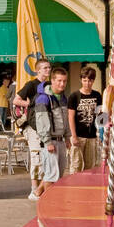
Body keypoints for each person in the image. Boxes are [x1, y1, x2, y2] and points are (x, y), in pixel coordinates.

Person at [32, 67, 71, 200]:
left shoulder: (63, 97)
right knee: (51, 175)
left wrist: (67, 137)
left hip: (60, 140)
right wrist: (47, 141)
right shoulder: (43, 99)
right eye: (59, 81)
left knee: (58, 173)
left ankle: (42, 194)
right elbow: (42, 123)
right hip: (50, 141)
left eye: (64, 81)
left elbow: (65, 119)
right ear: (52, 81)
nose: (62, 84)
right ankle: (49, 202)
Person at [15, 59, 51, 200]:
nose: (48, 70)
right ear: (38, 70)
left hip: (46, 125)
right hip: (33, 125)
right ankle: (34, 189)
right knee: (36, 157)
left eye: (49, 67)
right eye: (45, 68)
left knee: (45, 157)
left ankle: (42, 188)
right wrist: (28, 104)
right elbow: (16, 100)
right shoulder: (31, 85)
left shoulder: (49, 85)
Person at [67, 67, 101, 174]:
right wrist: (74, 136)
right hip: (78, 136)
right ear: (81, 80)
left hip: (92, 136)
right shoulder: (74, 96)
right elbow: (70, 117)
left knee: (90, 166)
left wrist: (101, 134)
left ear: (93, 81)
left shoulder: (97, 95)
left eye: (90, 80)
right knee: (76, 165)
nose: (87, 83)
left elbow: (101, 115)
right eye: (85, 80)